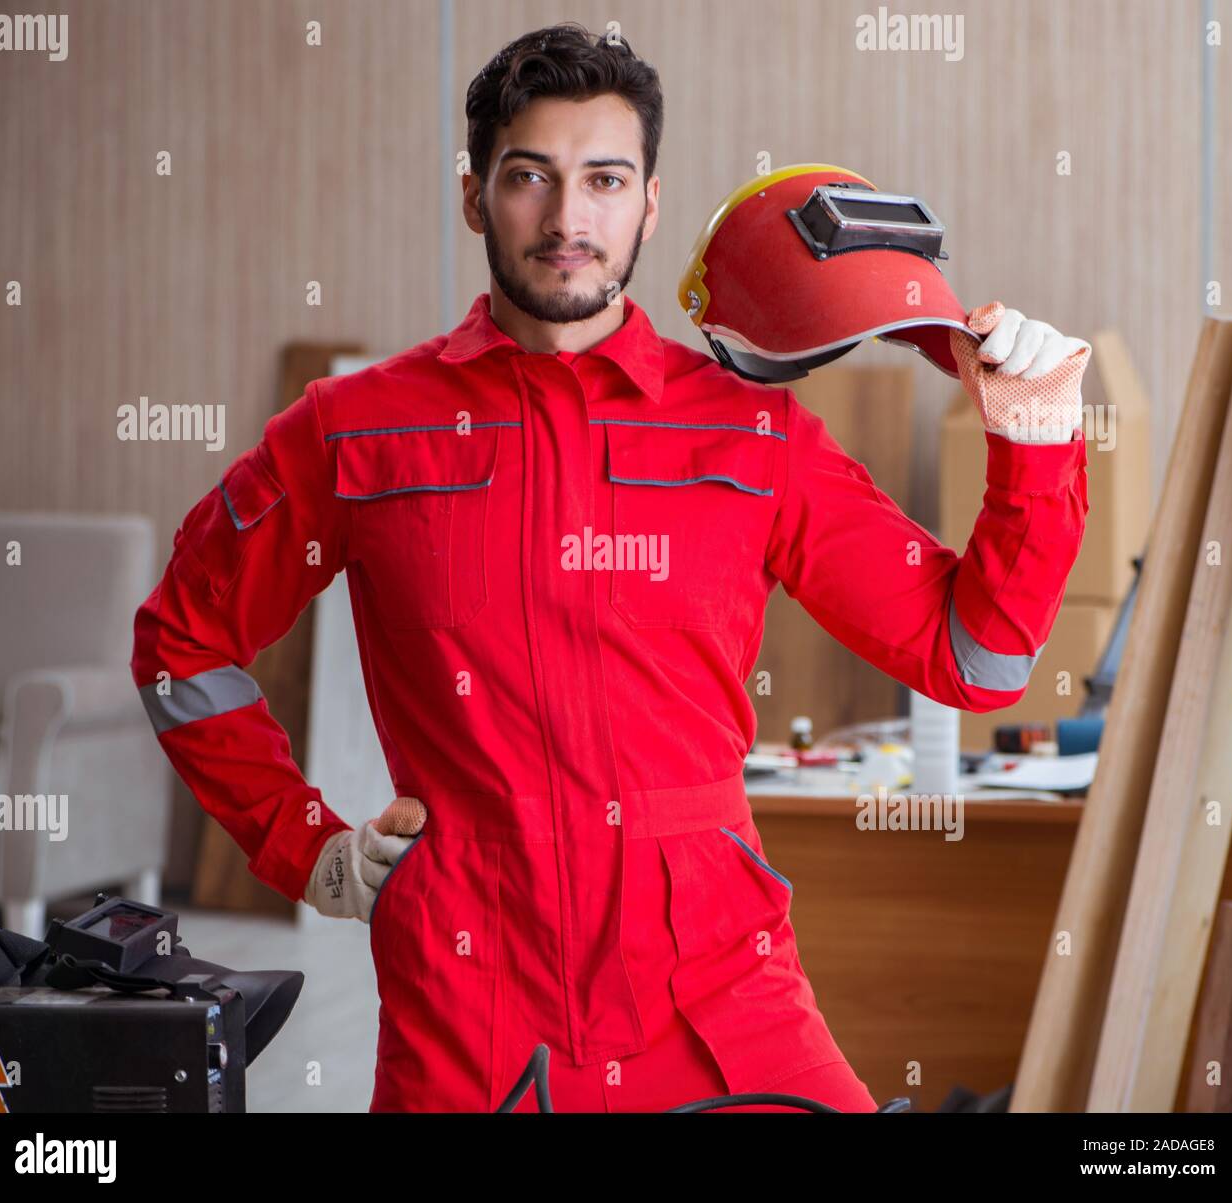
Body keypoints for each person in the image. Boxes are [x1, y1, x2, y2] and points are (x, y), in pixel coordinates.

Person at [131, 22, 1089, 1114]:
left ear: (649, 204)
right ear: (474, 196)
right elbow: (181, 642)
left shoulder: (751, 437)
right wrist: (306, 847)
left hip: (719, 988)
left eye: (603, 180)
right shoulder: (358, 430)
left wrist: (1036, 445)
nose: (567, 218)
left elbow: (978, 659)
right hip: (469, 986)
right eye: (529, 177)